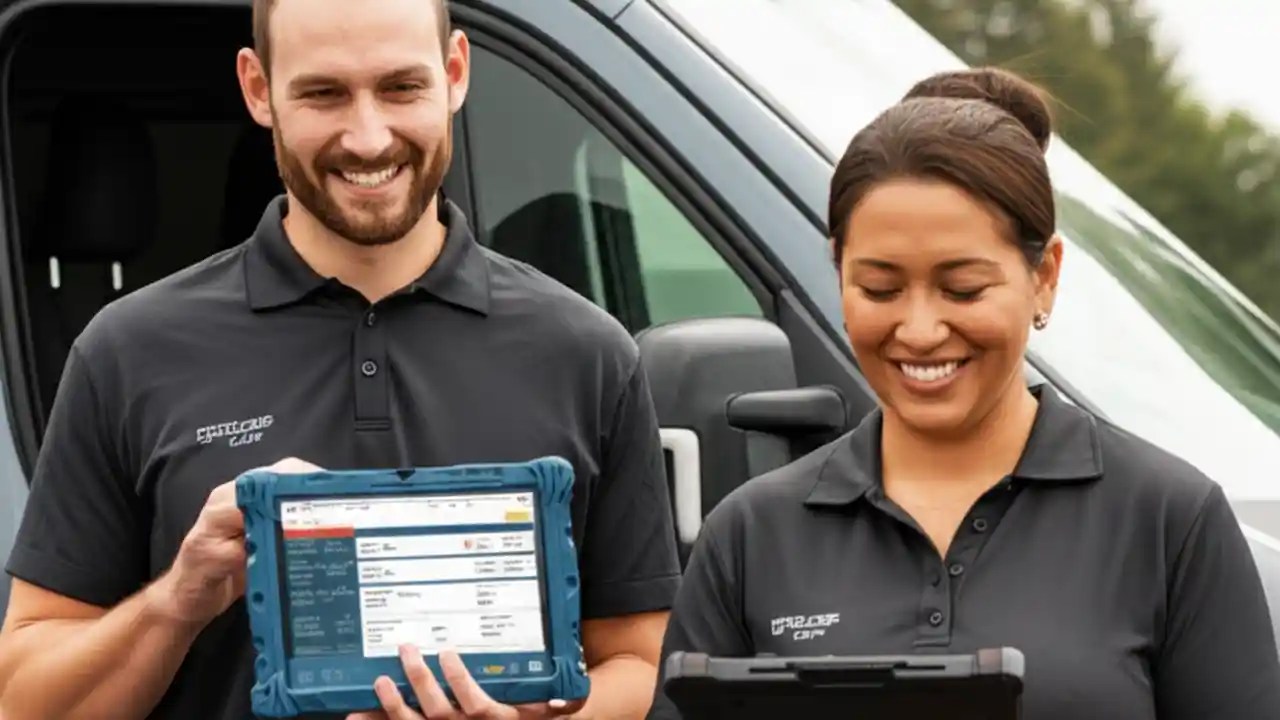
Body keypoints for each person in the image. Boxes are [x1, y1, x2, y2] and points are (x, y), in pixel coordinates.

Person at [0, 0, 681, 718]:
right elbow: (22, 702)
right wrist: (178, 600)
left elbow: (642, 665)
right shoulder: (128, 352)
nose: (367, 136)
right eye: (324, 93)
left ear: (454, 72)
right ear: (258, 89)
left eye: (400, 87)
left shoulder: (587, 352)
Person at [646, 67, 1280, 720]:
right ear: (839, 271)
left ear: (1045, 277)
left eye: (963, 289)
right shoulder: (750, 535)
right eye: (881, 290)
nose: (919, 331)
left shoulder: (1168, 520)